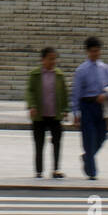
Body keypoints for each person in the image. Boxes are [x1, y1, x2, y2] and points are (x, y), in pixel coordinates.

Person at [71, 36, 108, 180]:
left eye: (97, 51)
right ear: (87, 52)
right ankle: (92, 172)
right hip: (87, 106)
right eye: (92, 51)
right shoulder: (81, 70)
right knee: (89, 138)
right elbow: (76, 93)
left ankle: (87, 157)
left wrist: (106, 95)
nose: (95, 54)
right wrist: (76, 113)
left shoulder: (105, 69)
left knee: (102, 136)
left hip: (101, 107)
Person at [25, 46, 68, 179]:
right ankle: (39, 170)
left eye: (54, 59)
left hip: (55, 116)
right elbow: (30, 91)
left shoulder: (59, 75)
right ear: (43, 59)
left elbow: (64, 93)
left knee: (57, 142)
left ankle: (56, 169)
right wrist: (31, 106)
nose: (53, 62)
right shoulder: (35, 74)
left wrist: (65, 109)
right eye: (50, 59)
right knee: (39, 143)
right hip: (39, 116)